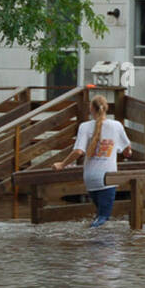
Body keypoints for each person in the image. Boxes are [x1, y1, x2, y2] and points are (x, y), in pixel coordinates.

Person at [54, 94, 132, 227]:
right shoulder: (116, 126)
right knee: (103, 218)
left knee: (100, 215)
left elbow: (78, 151)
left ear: (91, 108)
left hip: (90, 179)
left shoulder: (84, 127)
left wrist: (62, 164)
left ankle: (96, 243)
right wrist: (127, 152)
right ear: (106, 108)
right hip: (108, 179)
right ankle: (95, 239)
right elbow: (127, 150)